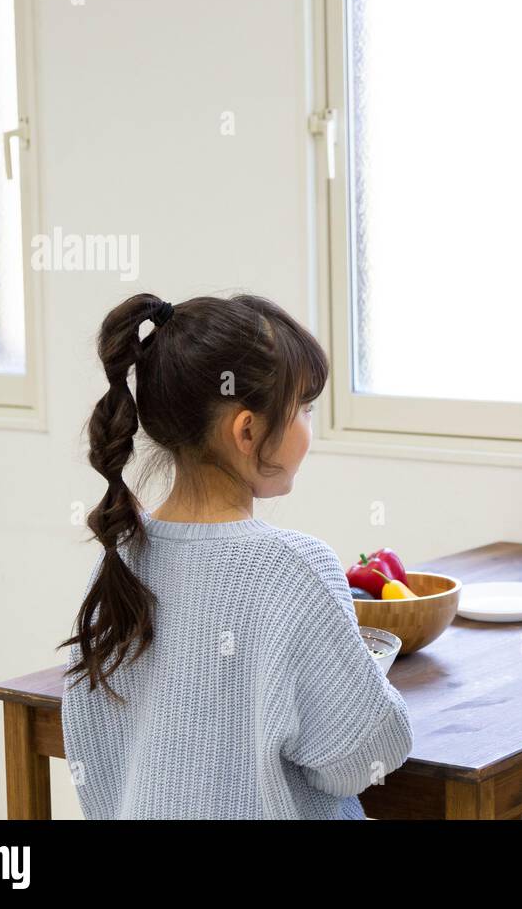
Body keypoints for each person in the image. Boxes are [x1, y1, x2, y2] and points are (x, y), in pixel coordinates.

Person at [60, 292, 411, 818]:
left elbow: (95, 750)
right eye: (305, 409)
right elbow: (367, 757)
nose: (309, 430)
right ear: (247, 430)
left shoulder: (119, 561)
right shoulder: (293, 569)